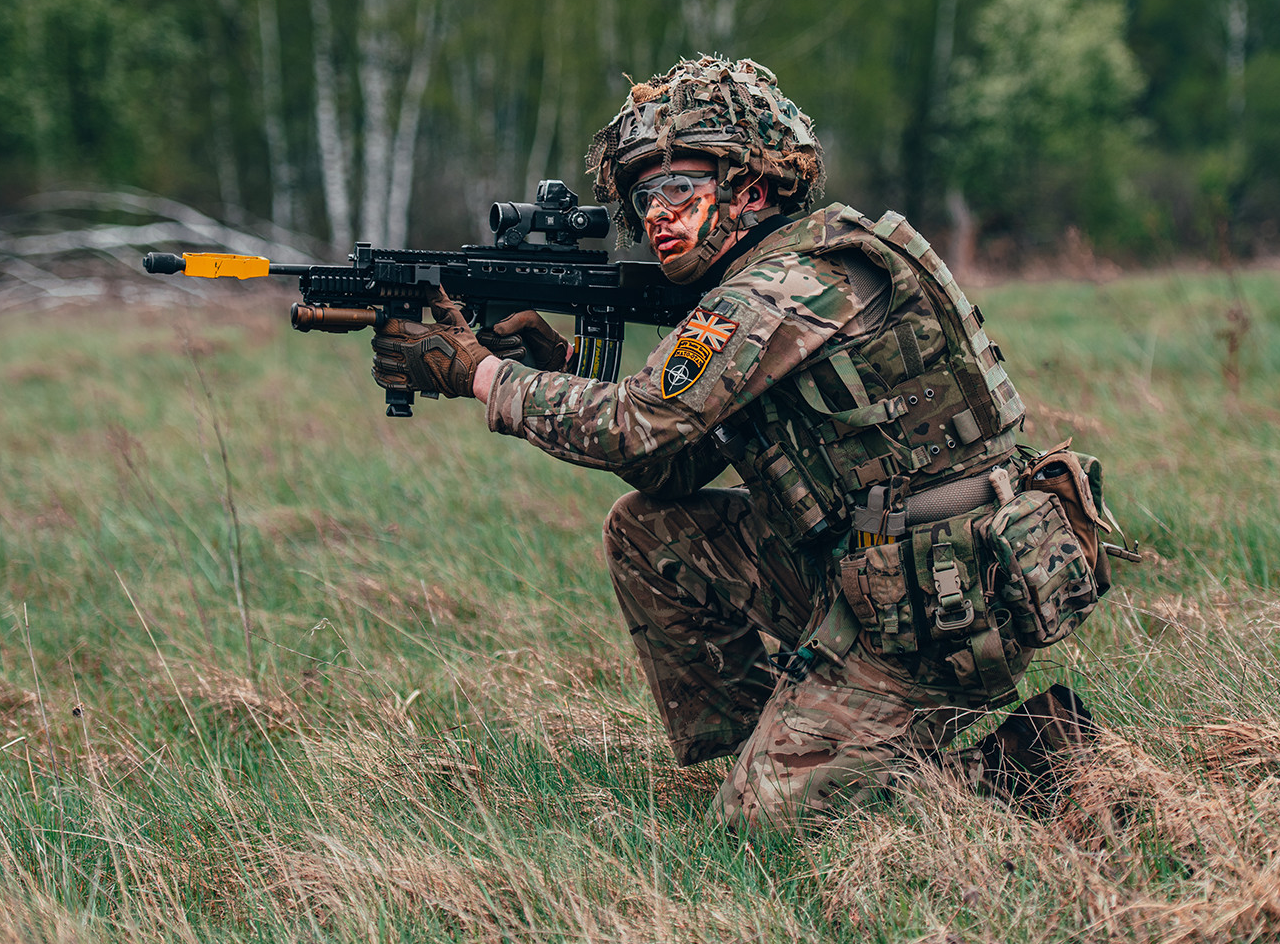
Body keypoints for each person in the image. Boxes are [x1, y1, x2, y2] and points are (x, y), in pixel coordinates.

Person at [371, 54, 1098, 831]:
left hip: (933, 607)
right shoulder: (769, 280)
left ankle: (1018, 762)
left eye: (680, 186)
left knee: (757, 834)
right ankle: (798, 733)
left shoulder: (786, 283)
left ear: (752, 189)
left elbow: (642, 422)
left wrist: (483, 377)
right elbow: (670, 468)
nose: (657, 212)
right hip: (866, 571)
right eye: (646, 193)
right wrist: (556, 367)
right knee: (647, 533)